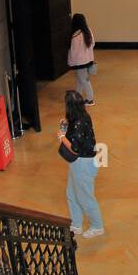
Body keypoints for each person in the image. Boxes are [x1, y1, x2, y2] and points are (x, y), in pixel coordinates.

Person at [59, 91, 104, 238]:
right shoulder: (82, 115)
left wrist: (61, 137)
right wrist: (64, 125)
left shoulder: (79, 122)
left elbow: (75, 149)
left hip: (83, 164)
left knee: (85, 197)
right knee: (71, 194)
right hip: (79, 163)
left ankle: (97, 226)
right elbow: (67, 125)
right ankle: (76, 224)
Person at [68, 13, 96, 105]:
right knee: (81, 79)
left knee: (84, 80)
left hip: (80, 63)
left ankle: (90, 99)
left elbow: (73, 52)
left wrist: (70, 63)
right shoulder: (88, 31)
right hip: (88, 61)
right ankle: (77, 97)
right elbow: (93, 44)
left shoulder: (76, 35)